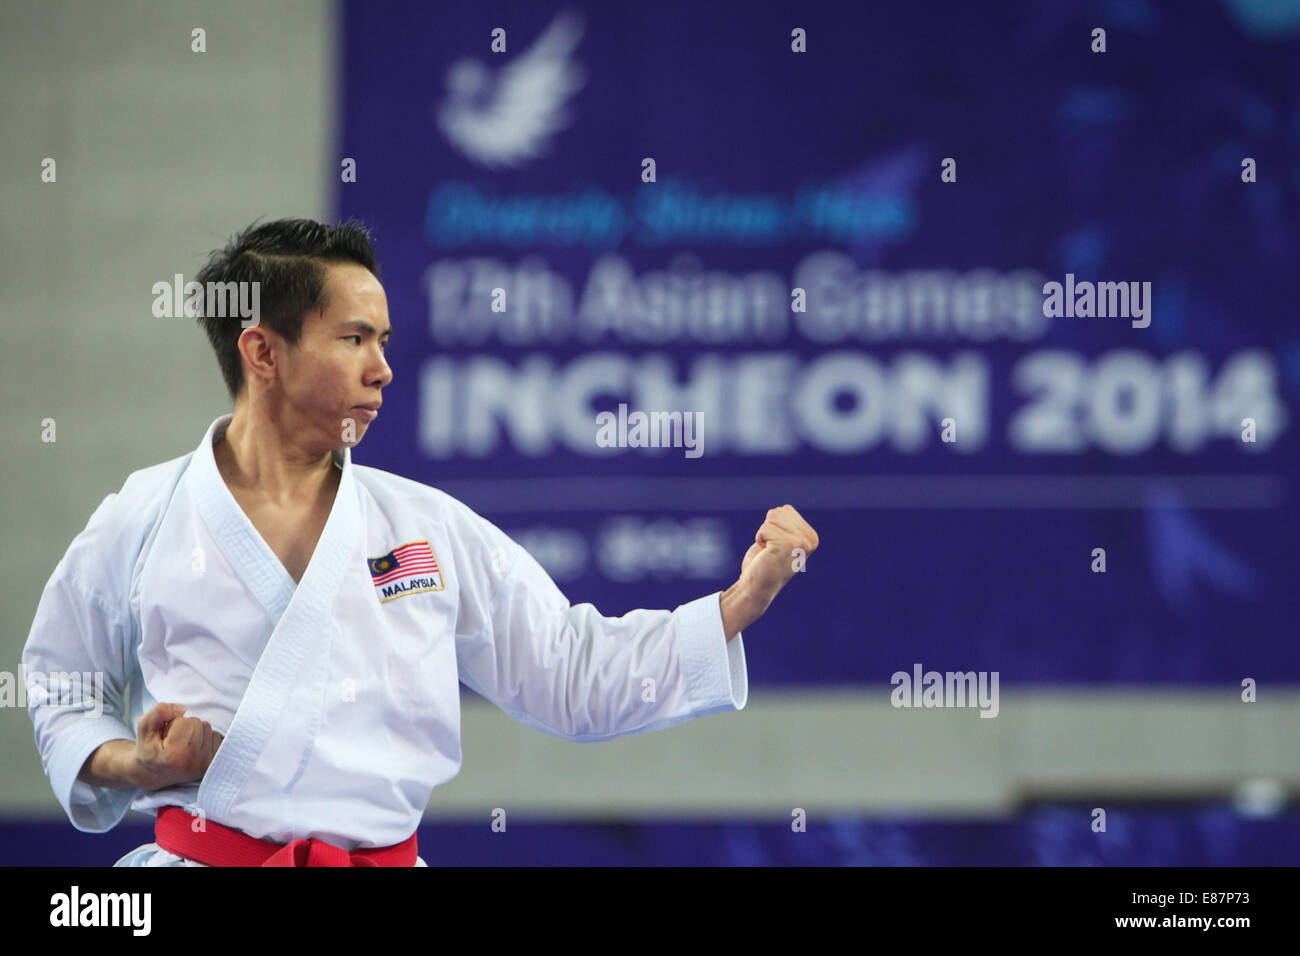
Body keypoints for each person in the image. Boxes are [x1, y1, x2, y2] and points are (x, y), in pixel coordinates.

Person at [21, 218, 820, 866]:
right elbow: (61, 686)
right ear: (263, 352)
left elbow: (573, 674)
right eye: (354, 339)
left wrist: (740, 602)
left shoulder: (427, 526)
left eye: (385, 341)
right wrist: (135, 765)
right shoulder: (144, 515)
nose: (384, 370)